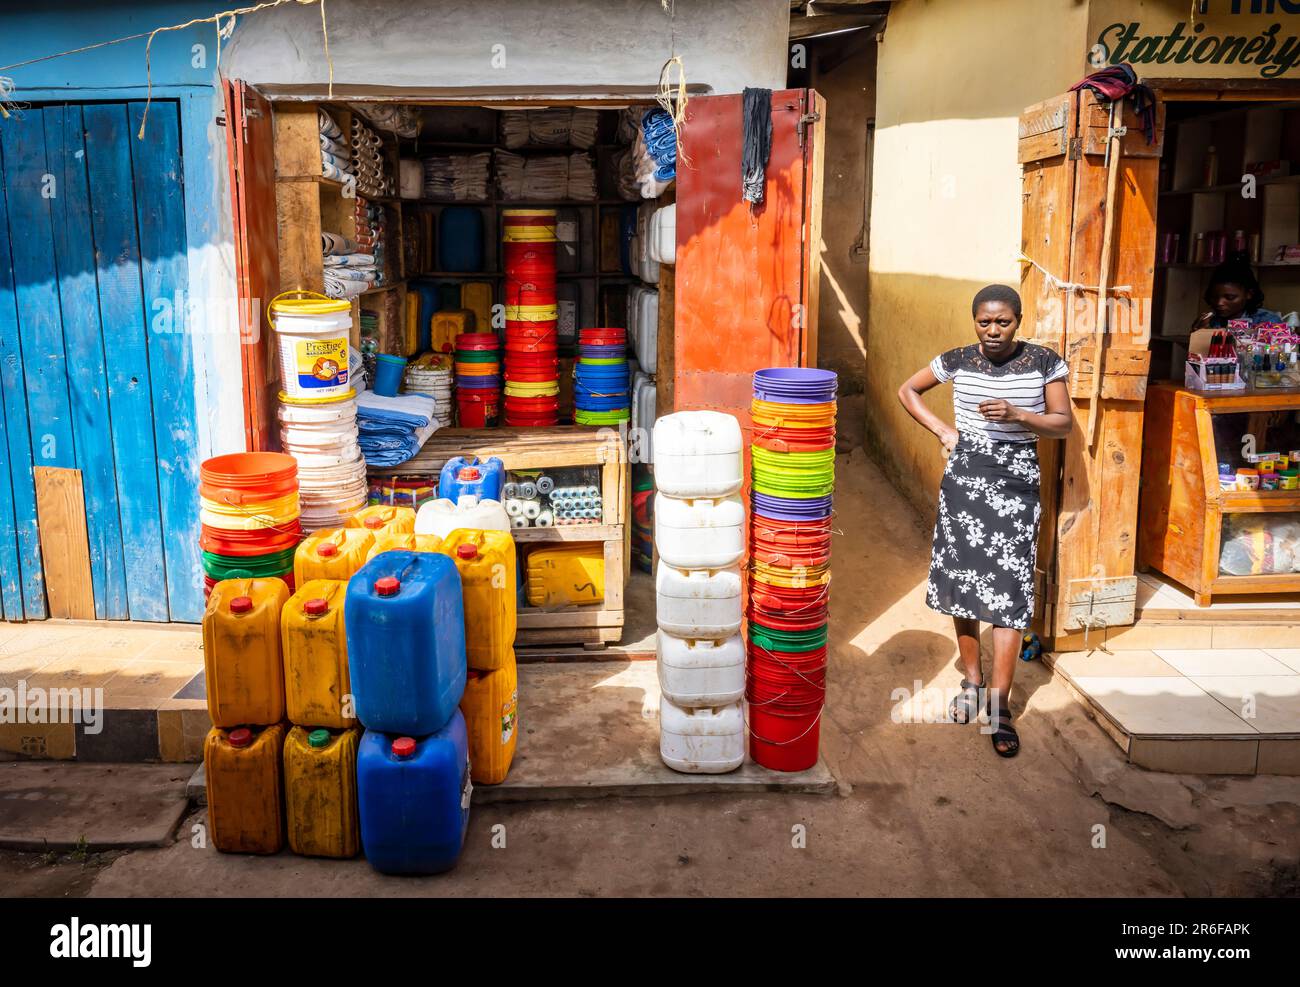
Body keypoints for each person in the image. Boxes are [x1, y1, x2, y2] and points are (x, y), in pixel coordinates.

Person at [897, 284, 1071, 758]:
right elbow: (907, 389)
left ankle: (999, 707)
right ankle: (972, 681)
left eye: (1003, 322)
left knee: (1009, 593)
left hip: (1017, 481)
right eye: (984, 322)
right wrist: (944, 430)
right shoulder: (956, 360)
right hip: (966, 479)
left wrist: (1019, 414)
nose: (993, 331)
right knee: (965, 582)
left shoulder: (1043, 362)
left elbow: (1063, 424)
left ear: (1019, 320)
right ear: (974, 320)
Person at [1192, 256, 1282, 330]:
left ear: (1249, 294)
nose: (1219, 303)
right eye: (1214, 297)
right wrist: (1200, 336)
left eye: (1230, 297)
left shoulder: (1267, 321)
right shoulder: (1210, 321)